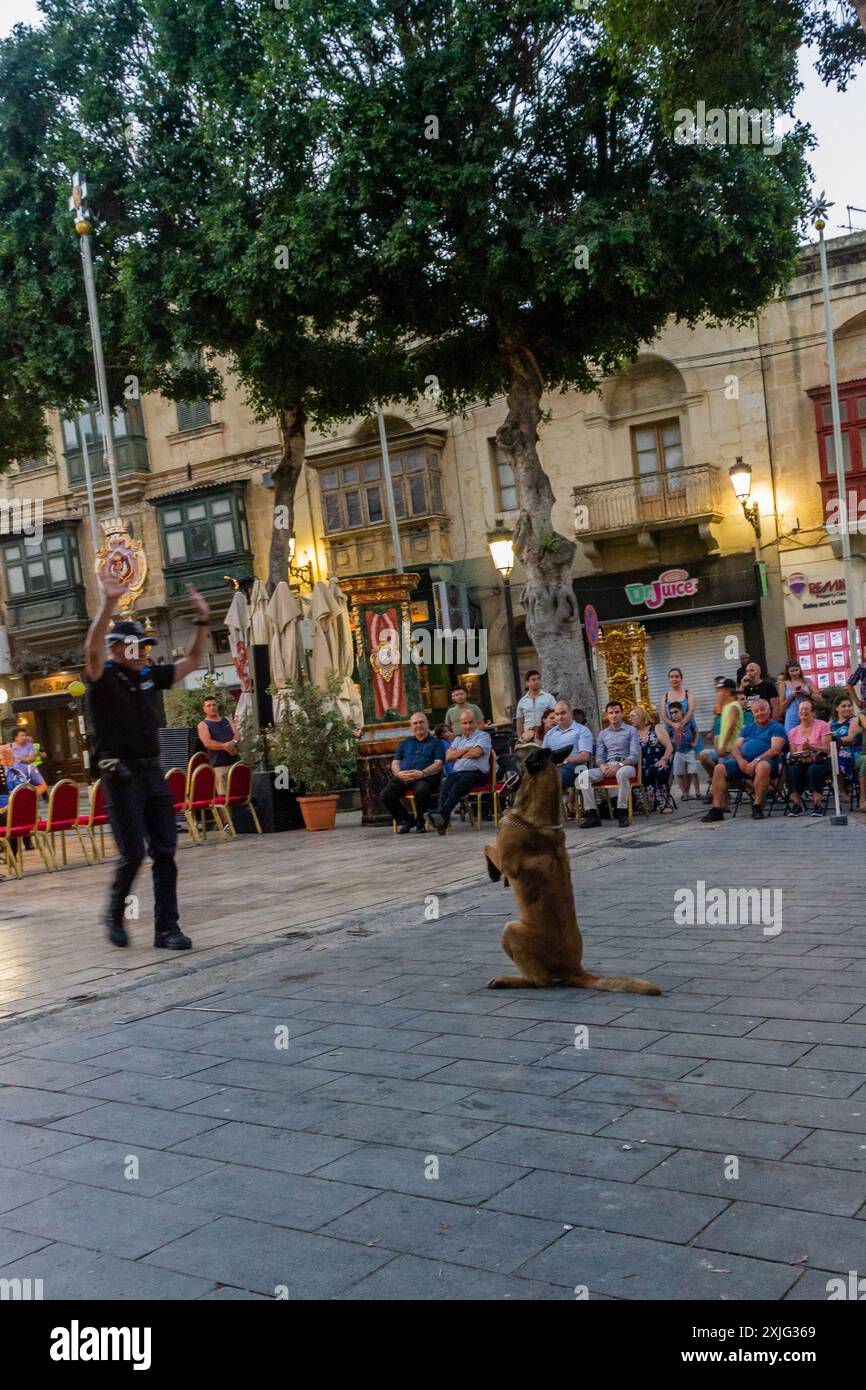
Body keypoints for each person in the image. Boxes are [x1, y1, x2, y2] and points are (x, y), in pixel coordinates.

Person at [84, 575, 212, 949]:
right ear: (120, 648)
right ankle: (114, 914)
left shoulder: (147, 677)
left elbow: (191, 661)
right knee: (133, 854)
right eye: (139, 646)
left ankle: (166, 929)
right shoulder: (103, 677)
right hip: (119, 775)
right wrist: (107, 603)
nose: (145, 652)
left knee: (166, 852)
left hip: (151, 770)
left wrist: (203, 621)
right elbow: (91, 652)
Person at [701, 698, 787, 823]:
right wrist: (741, 761)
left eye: (763, 710)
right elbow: (736, 747)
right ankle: (717, 809)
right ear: (752, 713)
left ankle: (757, 806)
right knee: (720, 768)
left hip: (767, 761)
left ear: (769, 711)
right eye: (756, 711)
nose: (760, 713)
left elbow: (775, 749)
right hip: (745, 762)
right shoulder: (747, 728)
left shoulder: (776, 727)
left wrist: (756, 760)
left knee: (762, 766)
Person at [576, 701, 640, 830]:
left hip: (626, 766)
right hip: (608, 766)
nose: (614, 715)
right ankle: (592, 814)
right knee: (582, 776)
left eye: (617, 712)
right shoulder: (602, 734)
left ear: (622, 714)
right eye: (611, 713)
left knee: (622, 773)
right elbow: (599, 757)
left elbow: (634, 756)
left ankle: (622, 812)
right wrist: (602, 766)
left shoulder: (631, 730)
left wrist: (619, 765)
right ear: (607, 715)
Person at [428, 708, 492, 835]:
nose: (468, 726)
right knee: (445, 789)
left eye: (470, 722)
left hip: (476, 773)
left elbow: (476, 753)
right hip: (458, 772)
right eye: (465, 723)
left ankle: (440, 814)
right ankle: (442, 823)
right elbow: (449, 757)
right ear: (460, 725)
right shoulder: (458, 740)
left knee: (457, 787)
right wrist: (466, 749)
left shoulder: (483, 736)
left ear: (475, 722)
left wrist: (458, 753)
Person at [381, 712, 446, 833]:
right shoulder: (405, 743)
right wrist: (398, 773)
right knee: (385, 795)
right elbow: (395, 762)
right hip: (403, 777)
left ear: (427, 724)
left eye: (421, 722)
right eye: (415, 723)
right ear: (411, 726)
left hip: (424, 777)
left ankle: (421, 821)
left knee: (422, 791)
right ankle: (408, 821)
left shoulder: (436, 743)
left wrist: (422, 773)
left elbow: (438, 764)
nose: (418, 725)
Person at [542, 700, 593, 816]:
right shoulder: (550, 734)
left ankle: (550, 815)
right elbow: (543, 754)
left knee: (552, 778)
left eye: (563, 713)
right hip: (554, 767)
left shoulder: (582, 731)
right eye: (557, 714)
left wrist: (564, 760)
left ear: (571, 713)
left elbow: (585, 756)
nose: (560, 717)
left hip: (576, 767)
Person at [785, 697, 831, 818]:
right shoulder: (793, 731)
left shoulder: (822, 725)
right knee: (792, 770)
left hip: (820, 759)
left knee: (813, 770)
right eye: (801, 709)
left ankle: (818, 804)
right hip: (802, 761)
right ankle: (796, 805)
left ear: (812, 712)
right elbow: (793, 753)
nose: (803, 711)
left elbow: (827, 749)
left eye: (806, 709)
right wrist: (800, 751)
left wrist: (811, 747)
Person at [699, 679, 744, 795]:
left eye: (720, 690)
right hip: (723, 749)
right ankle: (720, 785)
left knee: (724, 770)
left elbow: (731, 727)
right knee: (704, 756)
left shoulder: (734, 705)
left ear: (728, 691)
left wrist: (723, 746)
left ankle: (720, 789)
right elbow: (716, 710)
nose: (717, 692)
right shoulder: (726, 707)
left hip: (731, 750)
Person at [629, 705, 673, 811]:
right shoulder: (632, 733)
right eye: (629, 717)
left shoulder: (656, 728)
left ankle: (664, 803)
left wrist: (664, 759)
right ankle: (644, 805)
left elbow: (669, 747)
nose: (630, 719)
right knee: (635, 773)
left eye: (632, 716)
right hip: (641, 766)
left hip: (658, 762)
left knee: (659, 770)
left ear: (641, 716)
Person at [197, 697, 239, 794]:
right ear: (204, 709)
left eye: (214, 705)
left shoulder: (227, 720)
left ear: (217, 706)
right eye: (208, 705)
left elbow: (237, 734)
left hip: (235, 762)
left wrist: (233, 742)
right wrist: (226, 747)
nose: (212, 707)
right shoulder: (203, 725)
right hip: (219, 765)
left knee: (240, 793)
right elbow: (207, 742)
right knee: (224, 797)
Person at [667, 705, 700, 800]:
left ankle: (697, 792)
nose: (674, 715)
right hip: (678, 751)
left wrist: (695, 742)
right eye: (671, 713)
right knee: (678, 772)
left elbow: (696, 731)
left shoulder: (689, 721)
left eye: (676, 712)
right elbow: (667, 737)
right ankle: (684, 793)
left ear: (681, 711)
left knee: (693, 771)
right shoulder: (670, 725)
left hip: (689, 750)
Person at [778, 659, 816, 735]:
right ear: (787, 672)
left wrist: (807, 693)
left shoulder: (807, 681)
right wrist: (792, 696)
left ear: (800, 670)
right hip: (792, 716)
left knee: (812, 736)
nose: (795, 673)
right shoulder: (784, 684)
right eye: (792, 671)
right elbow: (781, 707)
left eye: (796, 670)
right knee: (791, 737)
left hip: (807, 713)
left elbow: (819, 698)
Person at [515, 670, 555, 740]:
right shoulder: (522, 701)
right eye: (533, 679)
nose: (536, 681)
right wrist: (520, 739)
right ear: (527, 683)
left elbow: (555, 717)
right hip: (528, 736)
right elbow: (519, 724)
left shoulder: (549, 698)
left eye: (538, 679)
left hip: (546, 734)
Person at [6, 727, 47, 792]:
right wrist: (24, 757)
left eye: (25, 735)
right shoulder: (8, 747)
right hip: (11, 775)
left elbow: (31, 759)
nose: (24, 737)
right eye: (22, 735)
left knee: (40, 786)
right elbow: (5, 760)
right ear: (15, 737)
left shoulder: (30, 746)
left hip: (28, 773)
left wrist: (14, 757)